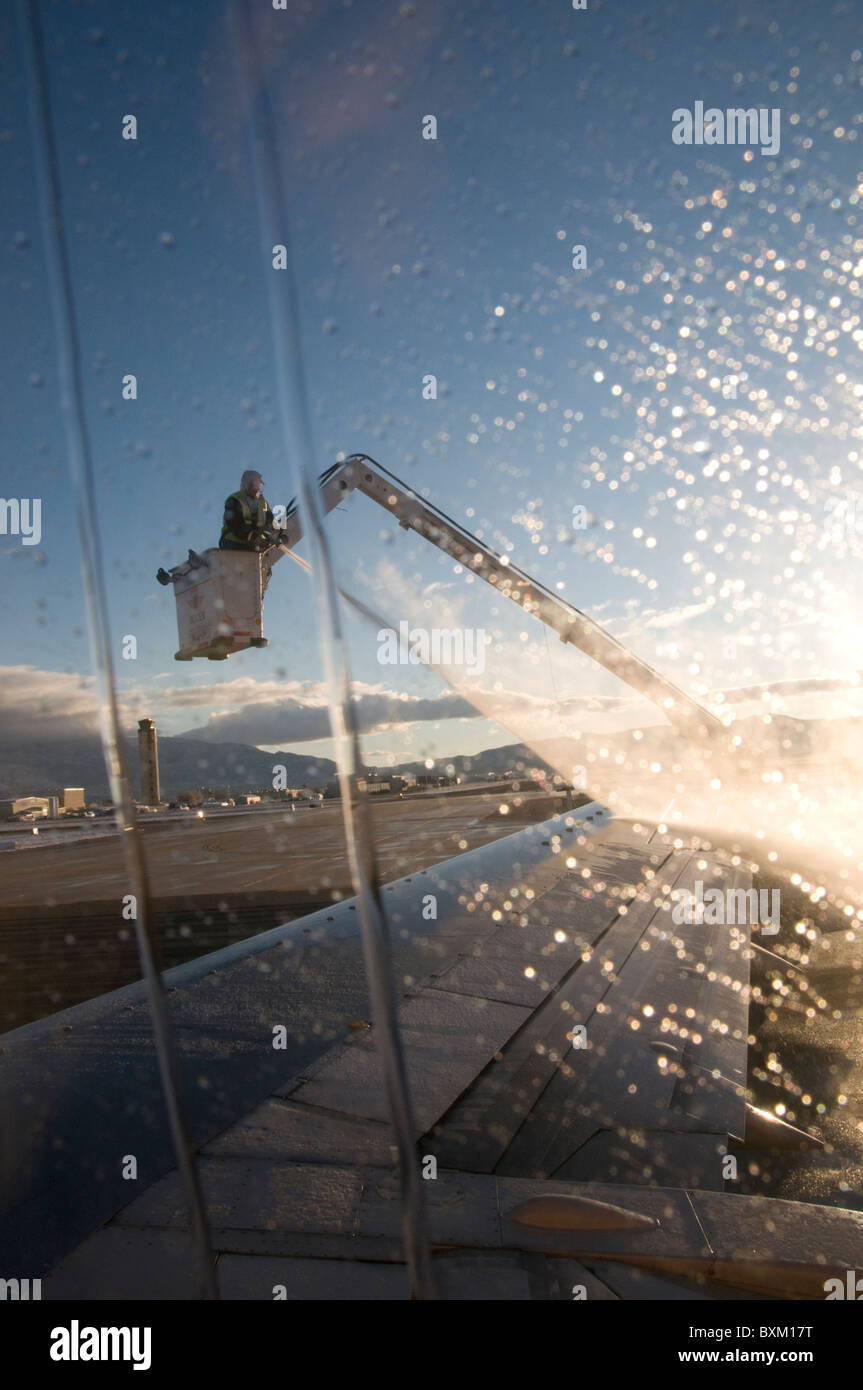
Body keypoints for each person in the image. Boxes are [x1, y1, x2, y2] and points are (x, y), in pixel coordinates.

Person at [219, 470, 282, 551]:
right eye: (254, 484)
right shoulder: (235, 499)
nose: (257, 488)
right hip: (233, 543)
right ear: (246, 484)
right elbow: (234, 525)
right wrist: (252, 538)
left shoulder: (263, 503)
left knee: (263, 553)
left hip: (253, 545)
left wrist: (276, 534)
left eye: (259, 485)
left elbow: (270, 522)